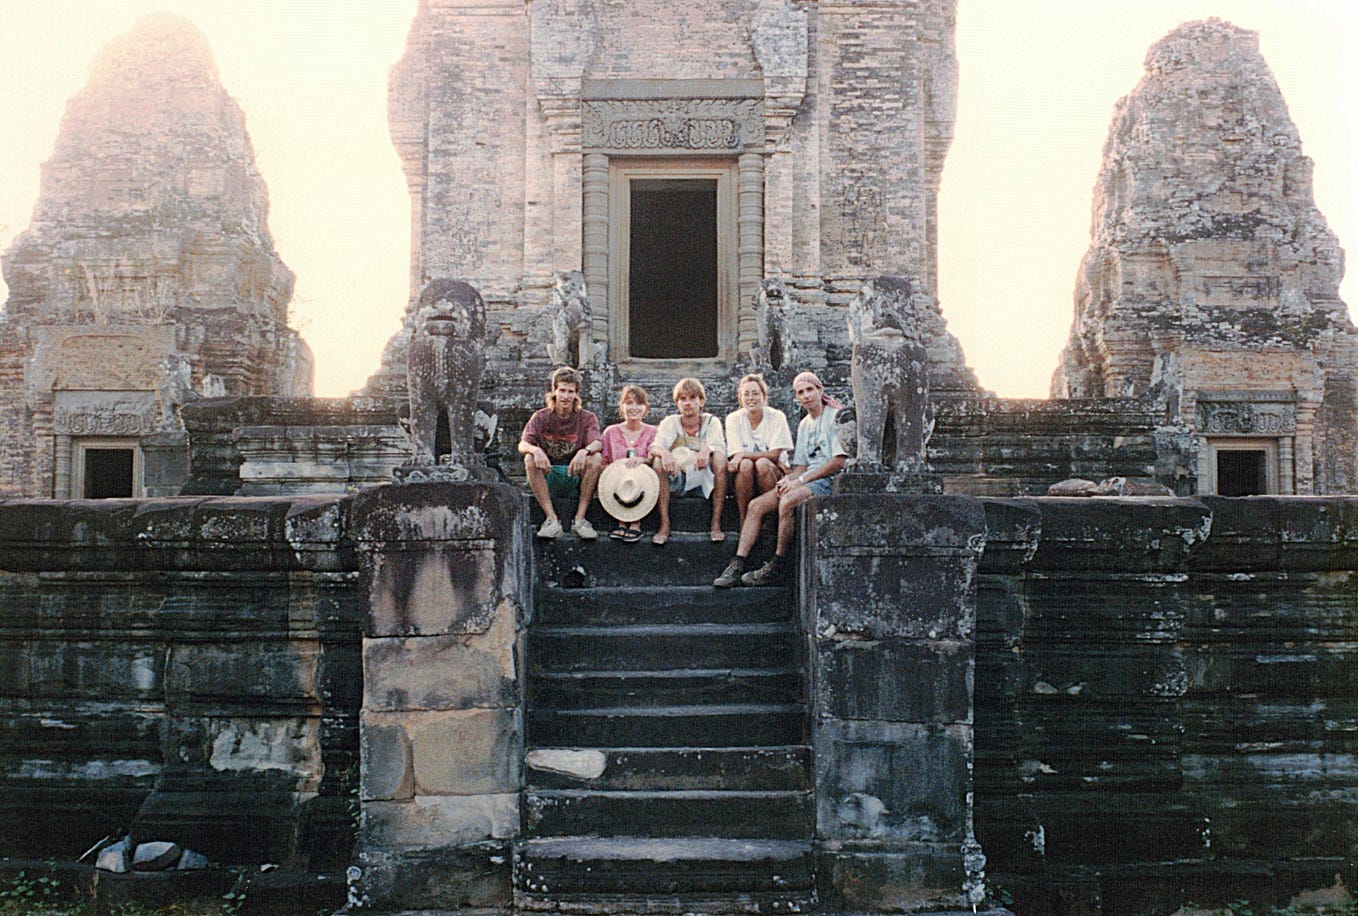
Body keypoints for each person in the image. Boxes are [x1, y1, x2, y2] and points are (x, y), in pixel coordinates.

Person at [714, 371, 846, 587]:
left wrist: (800, 480)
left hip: (829, 480)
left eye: (810, 390)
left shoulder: (834, 416)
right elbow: (801, 466)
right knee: (756, 506)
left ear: (820, 390)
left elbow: (838, 462)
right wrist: (789, 479)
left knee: (787, 501)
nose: (806, 396)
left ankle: (778, 563)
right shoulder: (805, 424)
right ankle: (737, 564)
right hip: (807, 478)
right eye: (800, 392)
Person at [518, 366, 603, 539]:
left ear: (576, 394)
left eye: (570, 391)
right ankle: (551, 520)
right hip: (548, 475)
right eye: (562, 390)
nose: (566, 396)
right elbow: (523, 444)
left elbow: (597, 442)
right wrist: (535, 450)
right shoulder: (541, 417)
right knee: (529, 458)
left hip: (575, 475)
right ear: (554, 391)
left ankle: (580, 520)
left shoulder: (587, 417)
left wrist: (583, 452)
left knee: (596, 458)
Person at [650, 377, 728, 545]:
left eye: (693, 398)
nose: (687, 403)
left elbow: (720, 445)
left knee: (720, 458)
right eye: (682, 399)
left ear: (701, 401)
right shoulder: (671, 422)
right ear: (677, 403)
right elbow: (655, 447)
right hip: (678, 479)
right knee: (657, 462)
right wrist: (665, 453)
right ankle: (664, 524)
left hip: (704, 480)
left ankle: (716, 523)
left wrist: (707, 449)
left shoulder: (711, 422)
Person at [724, 373, 794, 527]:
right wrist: (741, 456)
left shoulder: (776, 416)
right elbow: (736, 457)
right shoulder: (733, 419)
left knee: (762, 463)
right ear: (740, 398)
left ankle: (770, 519)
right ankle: (744, 520)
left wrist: (743, 454)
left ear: (764, 396)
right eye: (746, 394)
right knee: (746, 465)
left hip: (772, 472)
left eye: (755, 393)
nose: (751, 398)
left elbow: (775, 455)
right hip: (745, 475)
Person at [598, 385, 659, 542]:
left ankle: (635, 522)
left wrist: (643, 460)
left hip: (642, 488)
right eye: (629, 403)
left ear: (645, 408)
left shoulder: (653, 432)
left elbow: (654, 457)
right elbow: (603, 462)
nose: (634, 408)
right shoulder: (610, 432)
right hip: (617, 487)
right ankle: (620, 519)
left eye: (638, 403)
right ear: (622, 406)